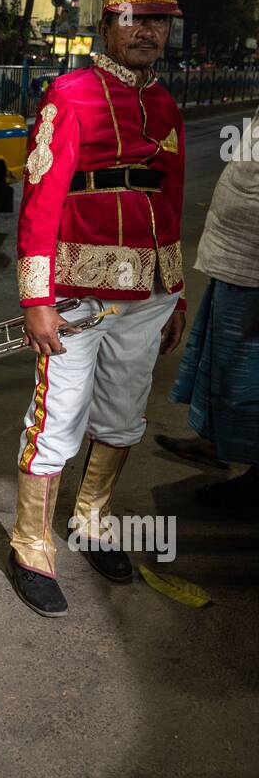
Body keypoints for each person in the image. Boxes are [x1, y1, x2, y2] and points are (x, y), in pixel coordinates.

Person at [9, 0, 188, 617]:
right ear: (107, 19)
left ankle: (90, 518)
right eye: (135, 16)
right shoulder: (71, 93)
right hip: (76, 295)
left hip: (149, 297)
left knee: (121, 416)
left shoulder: (167, 107)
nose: (148, 31)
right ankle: (31, 544)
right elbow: (42, 200)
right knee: (55, 418)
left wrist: (175, 297)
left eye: (160, 19)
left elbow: (170, 204)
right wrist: (35, 299)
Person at [156, 105, 259, 505]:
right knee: (218, 361)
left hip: (253, 270)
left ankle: (253, 471)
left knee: (245, 377)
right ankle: (218, 442)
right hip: (236, 260)